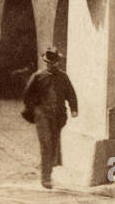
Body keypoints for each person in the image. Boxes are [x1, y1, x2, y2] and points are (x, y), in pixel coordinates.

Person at [22, 47, 78, 189]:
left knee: (53, 143)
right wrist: (34, 109)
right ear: (46, 62)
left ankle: (48, 168)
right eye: (49, 63)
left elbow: (71, 93)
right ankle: (45, 178)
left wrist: (74, 109)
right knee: (46, 143)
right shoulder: (38, 76)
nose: (51, 65)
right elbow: (27, 94)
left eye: (53, 63)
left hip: (58, 115)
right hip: (42, 114)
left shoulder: (63, 77)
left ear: (57, 63)